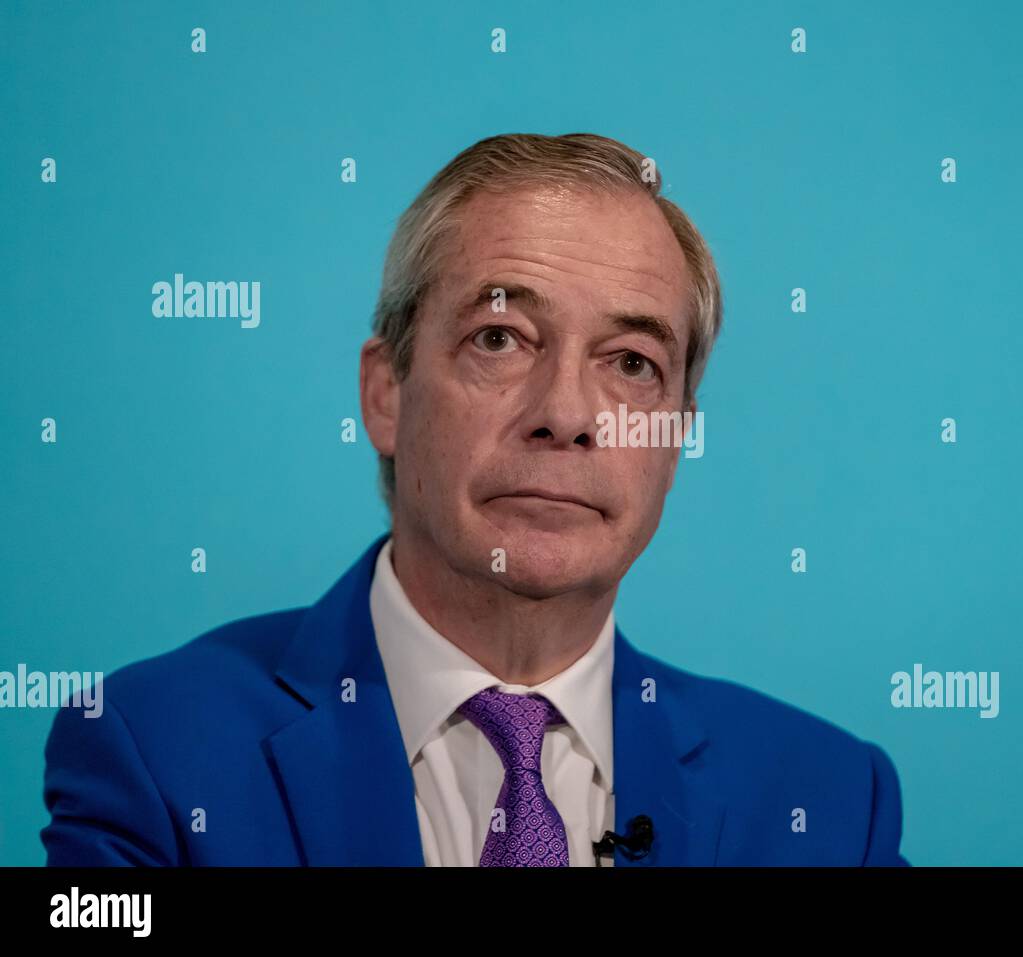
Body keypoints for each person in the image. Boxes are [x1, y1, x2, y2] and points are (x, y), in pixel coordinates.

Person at [41, 133, 908, 866]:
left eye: (632, 362)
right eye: (500, 338)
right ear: (386, 393)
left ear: (675, 438)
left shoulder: (829, 804)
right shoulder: (157, 755)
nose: (566, 415)